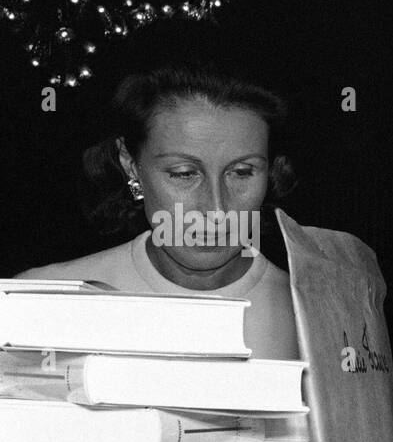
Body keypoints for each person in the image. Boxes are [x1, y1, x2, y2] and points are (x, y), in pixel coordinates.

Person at [18, 62, 300, 360]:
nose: (217, 209)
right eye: (183, 173)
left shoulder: (316, 318)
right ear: (131, 164)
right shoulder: (36, 304)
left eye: (242, 172)